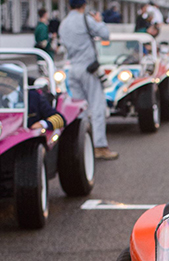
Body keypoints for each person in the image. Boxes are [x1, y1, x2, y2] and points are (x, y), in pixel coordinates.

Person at [59, 0, 118, 160]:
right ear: (84, 5)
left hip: (73, 68)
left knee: (79, 110)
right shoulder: (86, 19)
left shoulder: (63, 24)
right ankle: (100, 146)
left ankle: (80, 146)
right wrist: (99, 21)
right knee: (97, 107)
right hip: (88, 68)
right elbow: (105, 34)